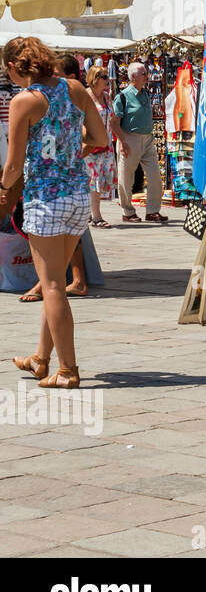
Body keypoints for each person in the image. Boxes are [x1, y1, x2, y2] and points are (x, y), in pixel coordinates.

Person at [4, 37, 108, 389]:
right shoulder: (75, 88)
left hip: (46, 200)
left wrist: (3, 190)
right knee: (56, 285)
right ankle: (40, 359)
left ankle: (67, 371)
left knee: (51, 287)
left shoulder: (25, 101)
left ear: (15, 67)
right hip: (78, 195)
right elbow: (100, 138)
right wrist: (68, 153)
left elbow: (14, 166)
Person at [112, 62, 166, 224]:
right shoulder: (122, 96)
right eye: (143, 73)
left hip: (147, 138)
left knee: (155, 175)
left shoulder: (145, 93)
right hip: (129, 138)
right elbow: (114, 122)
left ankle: (152, 211)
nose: (147, 76)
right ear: (133, 76)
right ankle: (127, 212)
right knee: (126, 177)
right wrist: (122, 141)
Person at [84, 66, 116, 230]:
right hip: (90, 146)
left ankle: (90, 214)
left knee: (99, 182)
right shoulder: (85, 96)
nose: (107, 79)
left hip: (106, 145)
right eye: (103, 76)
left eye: (106, 76)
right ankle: (96, 217)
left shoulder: (107, 97)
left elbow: (112, 120)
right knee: (93, 182)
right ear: (94, 78)